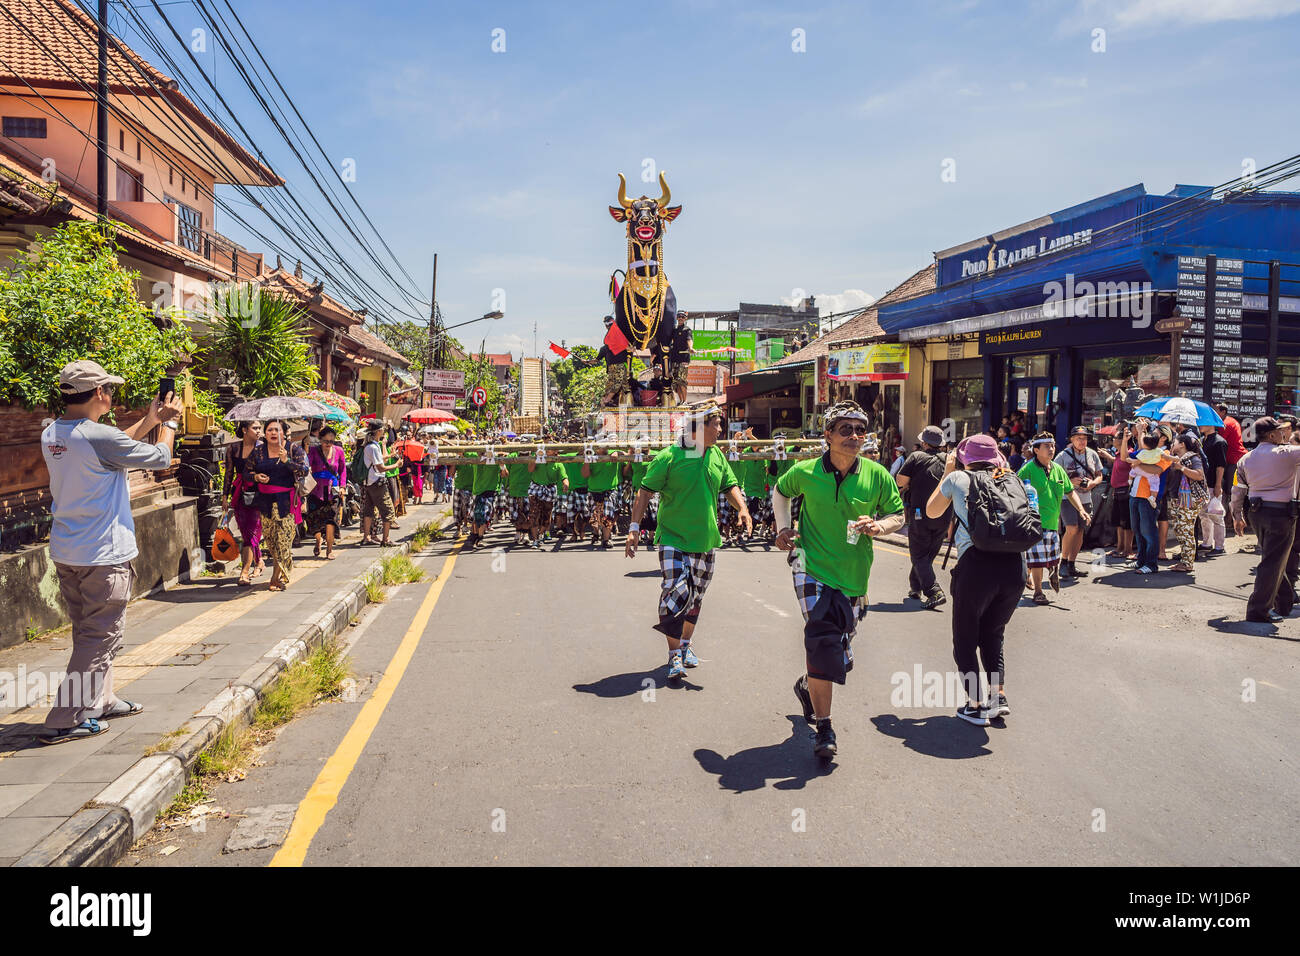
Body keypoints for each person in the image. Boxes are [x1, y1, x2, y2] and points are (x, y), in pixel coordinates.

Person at [39, 361, 183, 744]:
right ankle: (62, 718)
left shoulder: (53, 431)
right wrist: (168, 426)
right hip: (103, 555)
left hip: (68, 550)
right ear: (99, 394)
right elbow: (158, 459)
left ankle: (101, 700)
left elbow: (112, 446)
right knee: (101, 637)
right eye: (109, 388)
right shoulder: (99, 437)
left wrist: (149, 419)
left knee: (87, 632)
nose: (112, 394)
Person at [772, 400, 904, 758]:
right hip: (810, 568)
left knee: (837, 651)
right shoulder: (805, 471)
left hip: (854, 575)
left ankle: (806, 684)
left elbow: (897, 514)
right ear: (827, 434)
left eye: (860, 430)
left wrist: (879, 526)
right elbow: (780, 493)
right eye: (845, 429)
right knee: (822, 637)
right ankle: (825, 729)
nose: (854, 436)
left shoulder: (877, 475)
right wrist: (783, 527)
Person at [626, 401, 749, 681]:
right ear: (697, 427)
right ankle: (673, 656)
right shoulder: (669, 457)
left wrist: (742, 508)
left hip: (706, 540)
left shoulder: (716, 455)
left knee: (695, 598)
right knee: (674, 592)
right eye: (715, 424)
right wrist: (634, 528)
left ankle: (685, 644)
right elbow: (644, 492)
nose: (720, 428)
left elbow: (729, 485)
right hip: (672, 538)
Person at [926, 434, 1022, 726]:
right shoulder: (1012, 479)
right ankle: (998, 697)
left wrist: (948, 470)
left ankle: (976, 704)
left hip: (976, 566)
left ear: (964, 457)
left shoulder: (958, 479)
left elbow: (932, 511)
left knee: (965, 638)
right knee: (994, 633)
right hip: (1015, 566)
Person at [1230, 417, 1300, 622]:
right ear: (1271, 435)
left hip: (1256, 514)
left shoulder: (1245, 459)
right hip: (1281, 514)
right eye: (1279, 431)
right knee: (1271, 562)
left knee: (1273, 558)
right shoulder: (1287, 454)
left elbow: (1237, 491)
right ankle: (1257, 610)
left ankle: (1285, 602)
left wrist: (1237, 516)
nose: (1283, 435)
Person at [1018, 433, 1089, 604]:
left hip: (1052, 522)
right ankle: (1038, 592)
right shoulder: (1027, 470)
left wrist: (1081, 509)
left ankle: (1026, 574)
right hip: (1033, 523)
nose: (1051, 449)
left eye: (1053, 445)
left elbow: (1070, 491)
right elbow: (1014, 491)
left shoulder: (1057, 469)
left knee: (1046, 558)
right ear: (1036, 450)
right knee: (1037, 561)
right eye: (1047, 446)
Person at [246, 419, 309, 592]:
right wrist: (256, 477)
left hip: (285, 502)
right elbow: (246, 472)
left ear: (283, 433)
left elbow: (304, 470)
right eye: (269, 430)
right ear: (265, 434)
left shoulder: (292, 449)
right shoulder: (258, 451)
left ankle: (275, 578)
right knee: (271, 540)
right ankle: (282, 569)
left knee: (283, 539)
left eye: (277, 430)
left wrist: (287, 461)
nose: (273, 433)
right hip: (265, 501)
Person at [895, 424, 950, 609]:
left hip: (920, 513)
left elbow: (900, 481)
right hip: (945, 515)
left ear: (923, 442)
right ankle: (915, 586)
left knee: (918, 554)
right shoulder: (949, 461)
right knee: (926, 554)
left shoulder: (916, 456)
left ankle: (933, 590)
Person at [1055, 426, 1106, 579]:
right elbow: (1053, 477)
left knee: (1080, 531)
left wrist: (1093, 483)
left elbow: (1099, 475)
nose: (1082, 441)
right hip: (1067, 498)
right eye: (1078, 438)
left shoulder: (1092, 454)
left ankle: (1072, 563)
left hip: (1086, 498)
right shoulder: (1062, 456)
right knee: (1071, 528)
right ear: (1071, 439)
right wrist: (1070, 481)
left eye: (1084, 438)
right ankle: (1063, 563)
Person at [222, 421, 265, 586]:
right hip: (240, 492)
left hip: (259, 492)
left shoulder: (263, 448)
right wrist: (224, 496)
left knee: (253, 530)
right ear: (245, 430)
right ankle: (259, 560)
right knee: (246, 530)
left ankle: (244, 571)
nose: (259, 431)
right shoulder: (233, 448)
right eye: (255, 428)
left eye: (260, 428)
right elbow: (228, 473)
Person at [1167, 431, 1209, 574]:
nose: (1172, 444)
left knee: (1186, 531)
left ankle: (1188, 563)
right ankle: (1184, 561)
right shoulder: (1177, 458)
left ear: (1182, 444)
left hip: (1188, 501)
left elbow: (1199, 475)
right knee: (1180, 530)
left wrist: (1182, 468)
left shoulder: (1192, 458)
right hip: (1178, 499)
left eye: (1174, 442)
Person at [305, 426, 347, 559]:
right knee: (314, 521)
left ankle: (329, 550)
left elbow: (343, 470)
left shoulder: (339, 451)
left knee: (331, 520)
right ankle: (318, 539)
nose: (328, 444)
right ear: (320, 439)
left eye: (331, 441)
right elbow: (306, 466)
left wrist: (343, 486)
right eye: (325, 441)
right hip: (315, 490)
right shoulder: (312, 451)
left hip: (332, 490)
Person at [359, 420, 398, 547]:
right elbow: (380, 467)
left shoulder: (369, 445)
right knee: (388, 510)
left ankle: (366, 537)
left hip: (369, 482)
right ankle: (385, 539)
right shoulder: (373, 447)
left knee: (368, 511)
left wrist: (390, 455)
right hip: (377, 483)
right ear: (379, 431)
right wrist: (396, 465)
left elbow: (378, 460)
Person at [1196, 423, 1229, 557]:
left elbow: (1221, 466)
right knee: (1204, 515)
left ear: (1211, 424)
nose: (1200, 425)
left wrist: (1218, 485)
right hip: (1203, 484)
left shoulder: (1219, 441)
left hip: (1212, 484)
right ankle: (1207, 543)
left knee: (1216, 515)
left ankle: (1220, 546)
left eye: (1203, 423)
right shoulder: (1202, 440)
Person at [526, 454, 568, 548]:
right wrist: (535, 458)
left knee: (546, 516)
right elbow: (530, 469)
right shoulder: (537, 456)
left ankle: (542, 534)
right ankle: (535, 539)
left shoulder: (558, 463)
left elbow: (564, 476)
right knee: (533, 514)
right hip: (536, 489)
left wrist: (565, 483)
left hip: (550, 490)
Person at [585, 448, 622, 548]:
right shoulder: (591, 456)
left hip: (609, 491)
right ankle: (596, 533)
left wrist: (617, 452)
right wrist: (587, 461)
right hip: (594, 491)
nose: (603, 447)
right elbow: (585, 474)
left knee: (607, 515)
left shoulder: (613, 452)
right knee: (594, 517)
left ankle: (606, 539)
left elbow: (626, 453)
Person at [1217, 402, 1247, 525]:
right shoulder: (1230, 421)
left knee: (1231, 490)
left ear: (1223, 412)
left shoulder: (1226, 424)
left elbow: (1218, 439)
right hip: (1231, 460)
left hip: (1235, 461)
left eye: (1216, 410)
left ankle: (1230, 519)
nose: (1214, 412)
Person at [1108, 426, 1134, 560]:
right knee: (1118, 522)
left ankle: (1128, 549)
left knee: (1126, 522)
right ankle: (1119, 547)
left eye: (1115, 438)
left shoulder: (1128, 452)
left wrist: (1125, 439)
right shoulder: (1117, 454)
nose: (1113, 440)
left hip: (1126, 490)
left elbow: (1126, 461)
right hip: (1117, 491)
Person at [667, 310, 692, 405]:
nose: (681, 318)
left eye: (683, 317)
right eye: (679, 316)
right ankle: (681, 400)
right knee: (675, 383)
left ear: (685, 318)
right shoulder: (674, 330)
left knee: (682, 381)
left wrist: (691, 348)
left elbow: (689, 340)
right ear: (677, 318)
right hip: (674, 359)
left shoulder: (687, 330)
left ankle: (684, 401)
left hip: (683, 359)